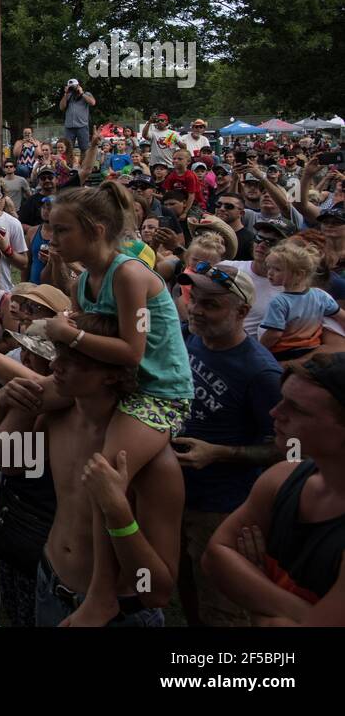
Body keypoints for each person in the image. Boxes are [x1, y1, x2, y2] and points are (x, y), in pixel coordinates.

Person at [40, 181, 193, 626]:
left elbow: (132, 352)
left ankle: (103, 594)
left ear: (97, 229)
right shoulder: (85, 278)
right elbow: (76, 340)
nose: (53, 240)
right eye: (51, 230)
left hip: (158, 393)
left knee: (105, 472)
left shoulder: (128, 275)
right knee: (26, 396)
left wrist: (71, 334)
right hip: (118, 383)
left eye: (62, 231)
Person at [16, 312, 183, 626]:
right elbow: (13, 469)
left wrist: (118, 513)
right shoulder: (58, 420)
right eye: (57, 354)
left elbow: (156, 591)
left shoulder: (154, 464)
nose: (54, 366)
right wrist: (16, 406)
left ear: (111, 374)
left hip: (118, 615)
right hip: (49, 583)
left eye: (71, 360)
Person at [172, 264, 283, 627]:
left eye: (211, 304)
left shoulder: (261, 372)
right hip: (178, 494)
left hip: (222, 508)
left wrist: (219, 452)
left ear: (241, 312)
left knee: (222, 606)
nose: (197, 310)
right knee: (184, 585)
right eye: (196, 300)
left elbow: (286, 449)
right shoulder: (195, 339)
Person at [203, 353, 345, 624]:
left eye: (297, 408)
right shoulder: (282, 478)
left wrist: (254, 590)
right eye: (282, 400)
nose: (275, 412)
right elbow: (215, 556)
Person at [260, 241, 340, 361]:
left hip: (282, 354)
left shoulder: (279, 302)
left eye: (277, 269)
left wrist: (259, 348)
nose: (270, 273)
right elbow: (341, 316)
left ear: (299, 274)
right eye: (268, 267)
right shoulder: (320, 295)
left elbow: (274, 334)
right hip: (313, 350)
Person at [60, 78, 96, 151]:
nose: (72, 89)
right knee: (68, 149)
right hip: (69, 127)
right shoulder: (67, 96)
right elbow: (61, 107)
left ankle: (84, 162)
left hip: (82, 126)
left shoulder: (86, 94)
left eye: (74, 86)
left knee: (84, 149)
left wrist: (82, 93)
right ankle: (70, 162)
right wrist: (66, 94)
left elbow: (93, 103)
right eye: (71, 87)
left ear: (78, 86)